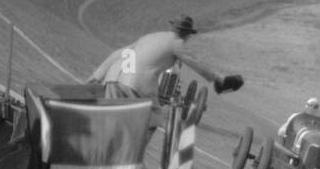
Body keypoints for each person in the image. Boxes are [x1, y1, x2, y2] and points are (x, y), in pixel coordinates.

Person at [88, 15, 243, 137]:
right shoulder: (176, 43)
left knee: (110, 117)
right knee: (153, 121)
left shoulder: (150, 37)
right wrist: (219, 79)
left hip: (114, 78)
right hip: (136, 84)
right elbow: (196, 63)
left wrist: (97, 76)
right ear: (187, 34)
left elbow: (119, 53)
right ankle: (131, 160)